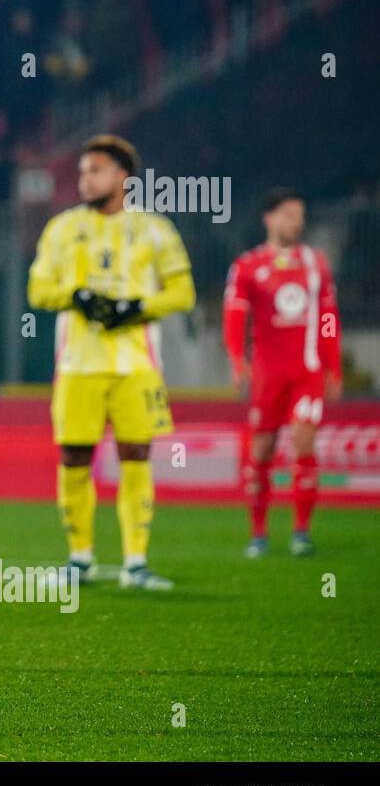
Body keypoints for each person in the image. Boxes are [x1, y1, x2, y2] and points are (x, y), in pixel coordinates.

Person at [27, 135, 195, 590]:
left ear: (122, 176)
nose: (85, 179)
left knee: (136, 457)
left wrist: (137, 308)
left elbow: (183, 292)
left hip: (136, 365)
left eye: (94, 171)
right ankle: (80, 557)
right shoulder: (62, 228)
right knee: (75, 456)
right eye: (82, 172)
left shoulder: (155, 229)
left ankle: (135, 563)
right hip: (78, 364)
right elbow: (38, 290)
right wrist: (76, 296)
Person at [223, 187, 342, 557]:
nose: (297, 221)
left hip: (306, 372)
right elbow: (235, 316)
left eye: (300, 215)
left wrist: (332, 365)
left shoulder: (315, 263)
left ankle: (301, 532)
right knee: (262, 450)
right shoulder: (248, 265)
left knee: (304, 443)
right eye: (289, 214)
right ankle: (258, 533)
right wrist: (237, 359)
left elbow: (326, 318)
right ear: (269, 218)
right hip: (267, 374)